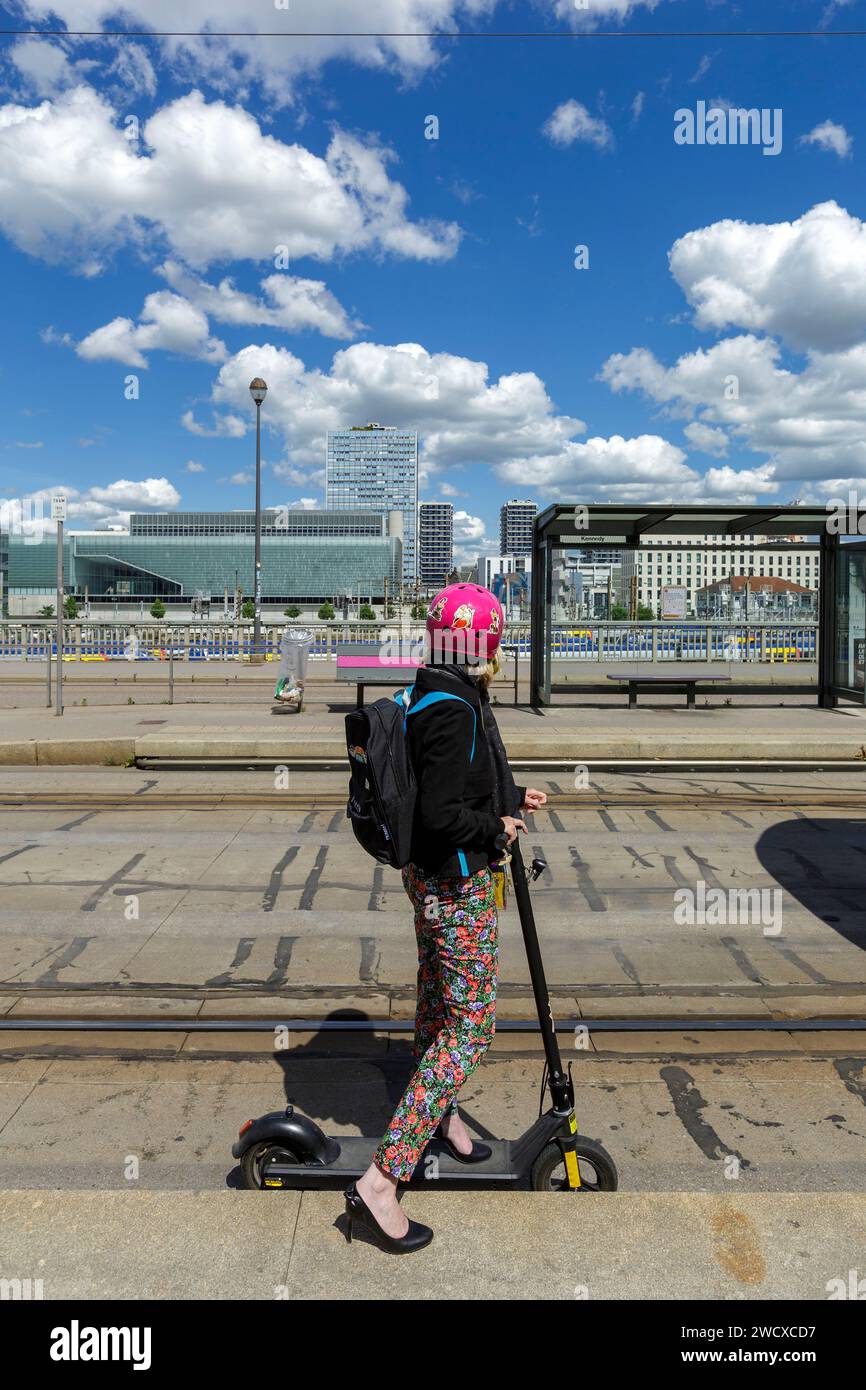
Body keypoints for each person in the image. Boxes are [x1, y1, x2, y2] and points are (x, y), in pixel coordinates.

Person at [344, 583, 547, 1253]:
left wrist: (512, 795)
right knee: (470, 1026)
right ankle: (382, 1179)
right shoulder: (456, 708)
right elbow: (441, 815)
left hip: (427, 883)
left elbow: (452, 781)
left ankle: (442, 1118)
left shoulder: (431, 689)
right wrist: (499, 826)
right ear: (484, 644)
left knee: (436, 1005)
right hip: (456, 889)